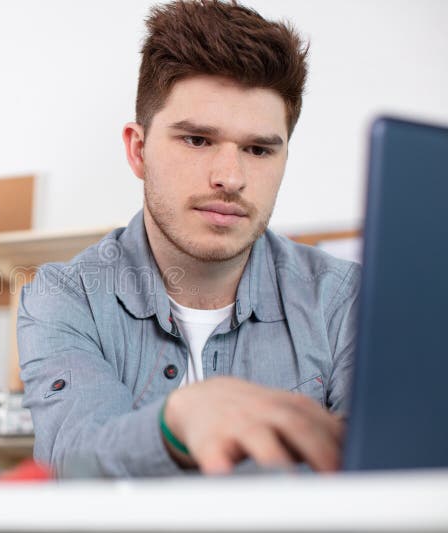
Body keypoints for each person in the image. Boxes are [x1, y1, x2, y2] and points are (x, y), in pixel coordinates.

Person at [18, 0, 360, 477]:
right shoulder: (65, 296)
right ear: (138, 151)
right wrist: (176, 423)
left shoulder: (345, 300)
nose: (231, 177)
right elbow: (74, 460)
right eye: (197, 140)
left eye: (258, 149)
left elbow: (385, 471)